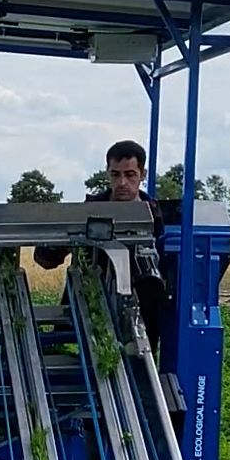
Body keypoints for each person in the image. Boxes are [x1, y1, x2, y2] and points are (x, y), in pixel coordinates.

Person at [33, 139, 170, 352]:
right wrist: (59, 246)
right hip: (90, 303)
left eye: (130, 175)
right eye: (116, 175)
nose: (122, 182)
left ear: (142, 175)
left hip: (141, 313)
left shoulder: (156, 215)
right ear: (108, 173)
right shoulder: (89, 211)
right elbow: (46, 258)